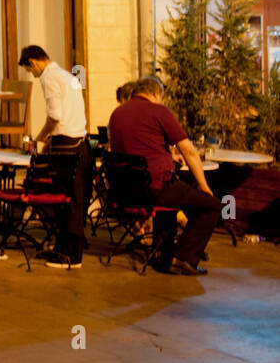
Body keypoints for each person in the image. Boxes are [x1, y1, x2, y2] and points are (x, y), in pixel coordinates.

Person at [107, 76, 218, 276]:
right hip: (154, 189)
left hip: (124, 190)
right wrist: (203, 186)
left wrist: (168, 157)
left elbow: (136, 149)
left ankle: (162, 253)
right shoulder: (159, 111)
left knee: (172, 200)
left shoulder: (117, 113)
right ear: (156, 93)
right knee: (211, 205)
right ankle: (182, 258)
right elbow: (189, 151)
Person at [18, 45, 90, 270]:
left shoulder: (48, 77)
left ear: (33, 62)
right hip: (81, 143)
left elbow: (55, 116)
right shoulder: (68, 75)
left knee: (64, 200)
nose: (32, 74)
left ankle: (69, 256)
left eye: (30, 70)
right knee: (76, 201)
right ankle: (64, 249)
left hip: (66, 145)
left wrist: (39, 138)